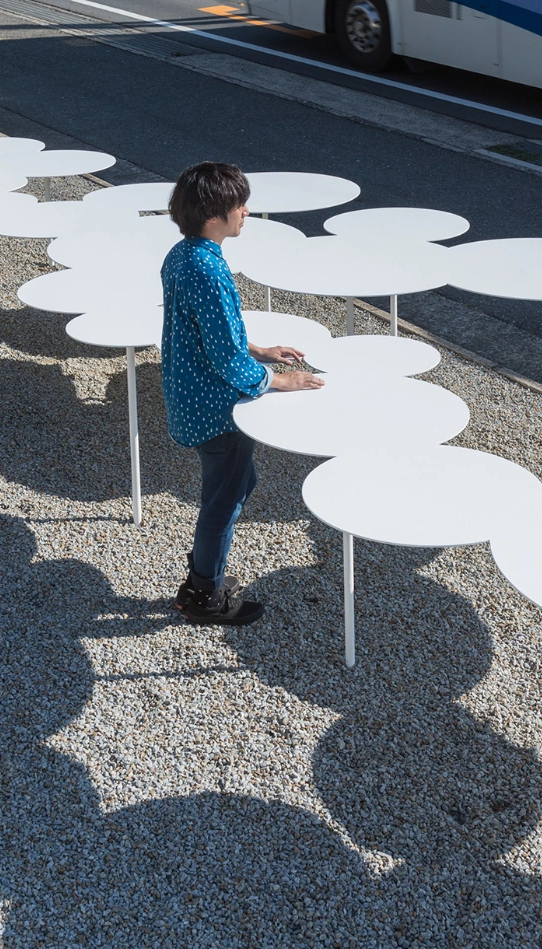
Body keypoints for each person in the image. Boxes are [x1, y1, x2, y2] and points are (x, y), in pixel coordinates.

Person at [161, 162, 324, 626]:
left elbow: (209, 331)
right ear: (215, 213)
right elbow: (225, 358)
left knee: (234, 486)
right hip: (216, 407)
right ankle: (203, 594)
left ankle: (204, 578)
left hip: (191, 395)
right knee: (223, 500)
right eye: (239, 204)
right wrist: (276, 379)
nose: (246, 211)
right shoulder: (207, 270)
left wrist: (259, 349)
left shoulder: (185, 253)